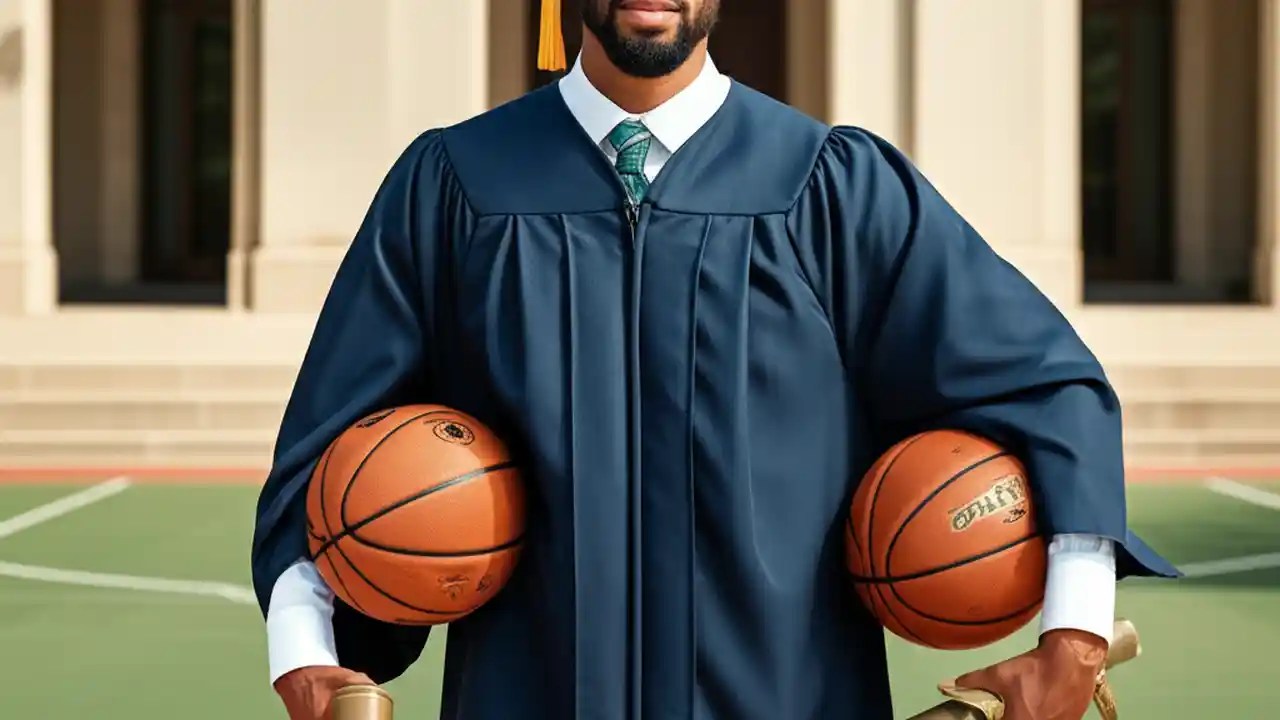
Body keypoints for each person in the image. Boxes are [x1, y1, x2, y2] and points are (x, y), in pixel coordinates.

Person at [251, 1, 1179, 718]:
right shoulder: (456, 186)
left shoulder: (831, 187)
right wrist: (302, 646)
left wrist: (1076, 629)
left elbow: (1045, 383)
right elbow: (329, 441)